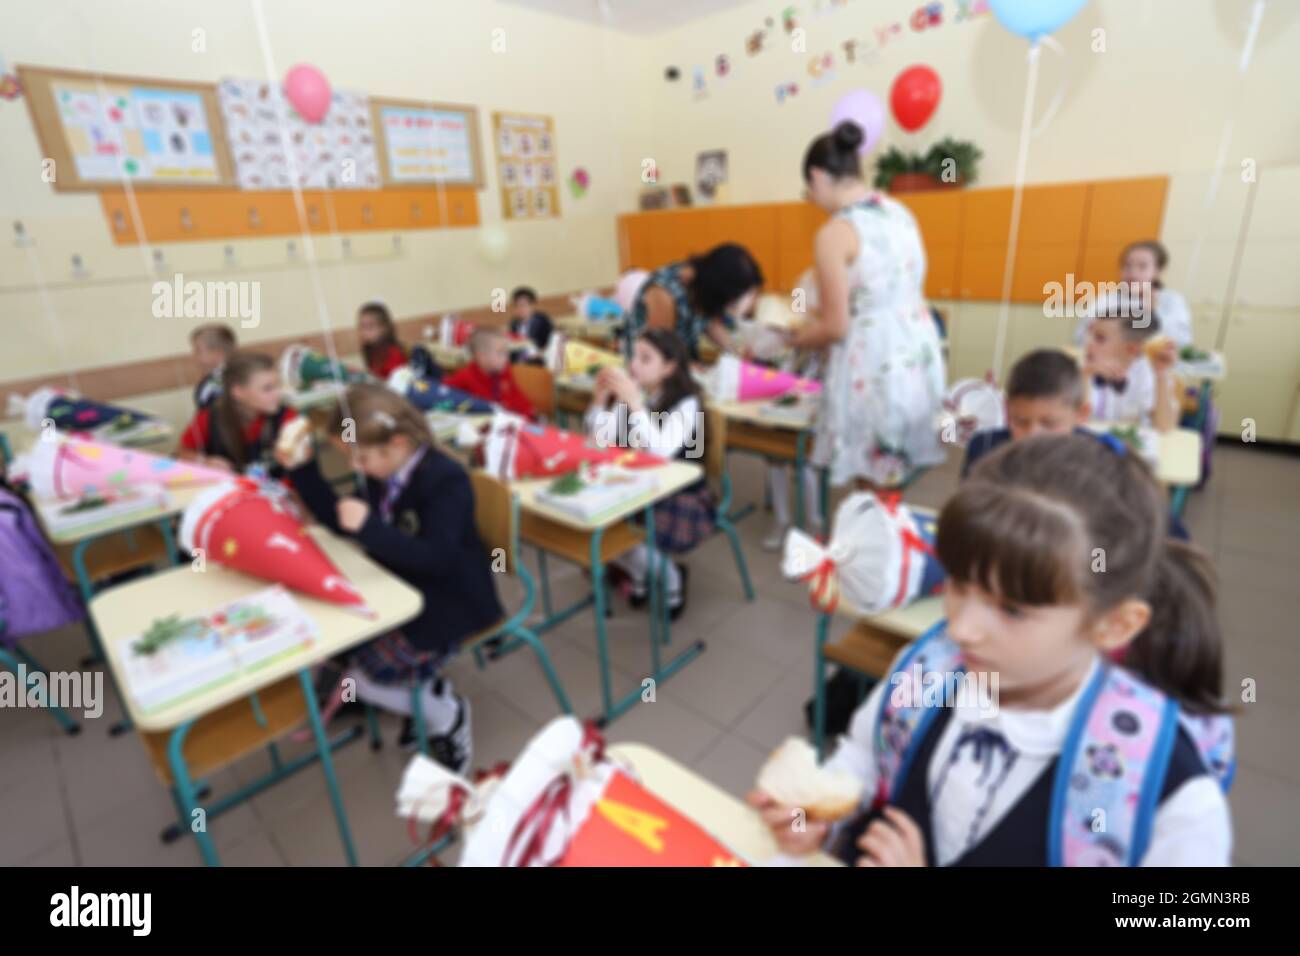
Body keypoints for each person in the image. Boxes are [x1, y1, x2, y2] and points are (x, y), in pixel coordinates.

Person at [751, 433, 1233, 866]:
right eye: (958, 584)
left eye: (1012, 610)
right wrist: (813, 822)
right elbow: (862, 759)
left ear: (1114, 624)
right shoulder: (930, 671)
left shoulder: (1172, 801)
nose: (961, 628)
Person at [280, 384, 502, 769]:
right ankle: (428, 694)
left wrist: (371, 530)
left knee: (360, 681)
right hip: (406, 588)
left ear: (398, 443)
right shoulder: (384, 472)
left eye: (360, 458)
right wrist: (301, 471)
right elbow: (344, 520)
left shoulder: (444, 480)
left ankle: (446, 716)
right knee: (339, 647)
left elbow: (437, 559)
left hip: (454, 600)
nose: (355, 468)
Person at [786, 121, 945, 490]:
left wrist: (794, 340)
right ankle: (887, 537)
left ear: (817, 176)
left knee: (870, 475)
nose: (813, 200)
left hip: (874, 359)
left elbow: (836, 325)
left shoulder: (835, 233)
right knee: (892, 476)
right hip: (915, 350)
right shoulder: (900, 213)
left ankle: (877, 541)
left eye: (809, 191)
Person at [586, 329, 710, 618]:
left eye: (646, 358)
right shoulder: (635, 395)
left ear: (669, 367)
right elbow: (599, 441)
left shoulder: (688, 402)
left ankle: (672, 581)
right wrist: (599, 401)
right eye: (633, 356)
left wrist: (635, 405)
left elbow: (661, 453)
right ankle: (641, 574)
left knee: (626, 530)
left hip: (679, 492)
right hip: (637, 483)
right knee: (600, 524)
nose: (634, 365)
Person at [961, 348, 1089, 478]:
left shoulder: (1097, 459)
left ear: (1081, 414)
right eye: (1021, 421)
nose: (1032, 435)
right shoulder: (983, 447)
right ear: (1007, 409)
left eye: (1049, 424)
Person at [625, 242, 763, 359]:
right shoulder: (664, 294)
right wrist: (694, 370)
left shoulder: (705, 286)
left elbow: (709, 322)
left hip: (683, 360)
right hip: (650, 365)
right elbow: (658, 353)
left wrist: (736, 350)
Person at [177, 351, 298, 476]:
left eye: (278, 385)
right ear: (238, 392)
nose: (278, 393)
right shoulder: (208, 419)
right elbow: (183, 452)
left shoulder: (288, 416)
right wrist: (204, 461)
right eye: (267, 388)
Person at [1073, 240, 1193, 348]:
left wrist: (1153, 312)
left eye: (1142, 266)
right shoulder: (1106, 300)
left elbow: (1183, 342)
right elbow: (1079, 339)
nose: (1132, 273)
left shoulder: (1172, 300)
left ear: (1158, 271)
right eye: (1127, 265)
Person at [1083, 312, 1179, 430]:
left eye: (1100, 338)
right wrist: (1085, 375)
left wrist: (1161, 374)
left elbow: (1165, 427)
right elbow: (1075, 423)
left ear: (1131, 349)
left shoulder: (1146, 373)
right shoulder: (1082, 370)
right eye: (1090, 335)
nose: (1089, 344)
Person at [443, 326, 536, 418]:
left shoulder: (504, 370)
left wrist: (529, 414)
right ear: (482, 356)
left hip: (509, 421)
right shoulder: (465, 377)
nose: (506, 358)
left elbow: (516, 395)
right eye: (500, 353)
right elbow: (443, 396)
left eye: (506, 352)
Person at [189, 323, 237, 409]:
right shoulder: (210, 378)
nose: (193, 355)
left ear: (217, 352)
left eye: (198, 350)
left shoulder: (218, 384)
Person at [357, 301, 406, 380]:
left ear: (384, 328)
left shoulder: (394, 353)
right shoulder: (371, 350)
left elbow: (397, 384)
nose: (364, 332)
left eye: (370, 327)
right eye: (362, 327)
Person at [509, 286, 554, 352]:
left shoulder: (542, 321)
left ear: (532, 305)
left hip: (540, 357)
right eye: (516, 305)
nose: (520, 309)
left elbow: (549, 343)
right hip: (521, 358)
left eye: (523, 305)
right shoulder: (514, 323)